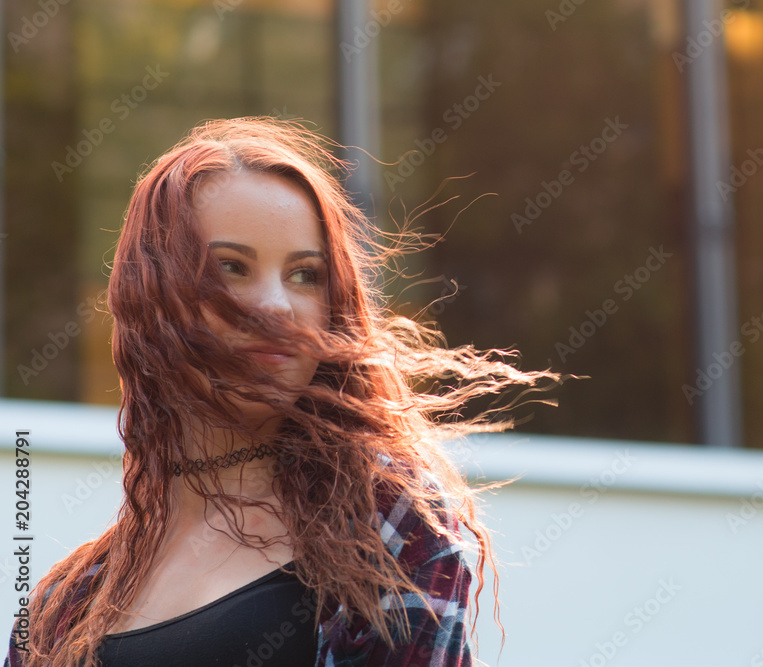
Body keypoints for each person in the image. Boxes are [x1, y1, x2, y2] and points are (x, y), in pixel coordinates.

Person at [4, 117, 559, 667]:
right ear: (151, 294)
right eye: (231, 267)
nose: (275, 305)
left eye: (304, 275)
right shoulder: (66, 608)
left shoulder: (390, 528)